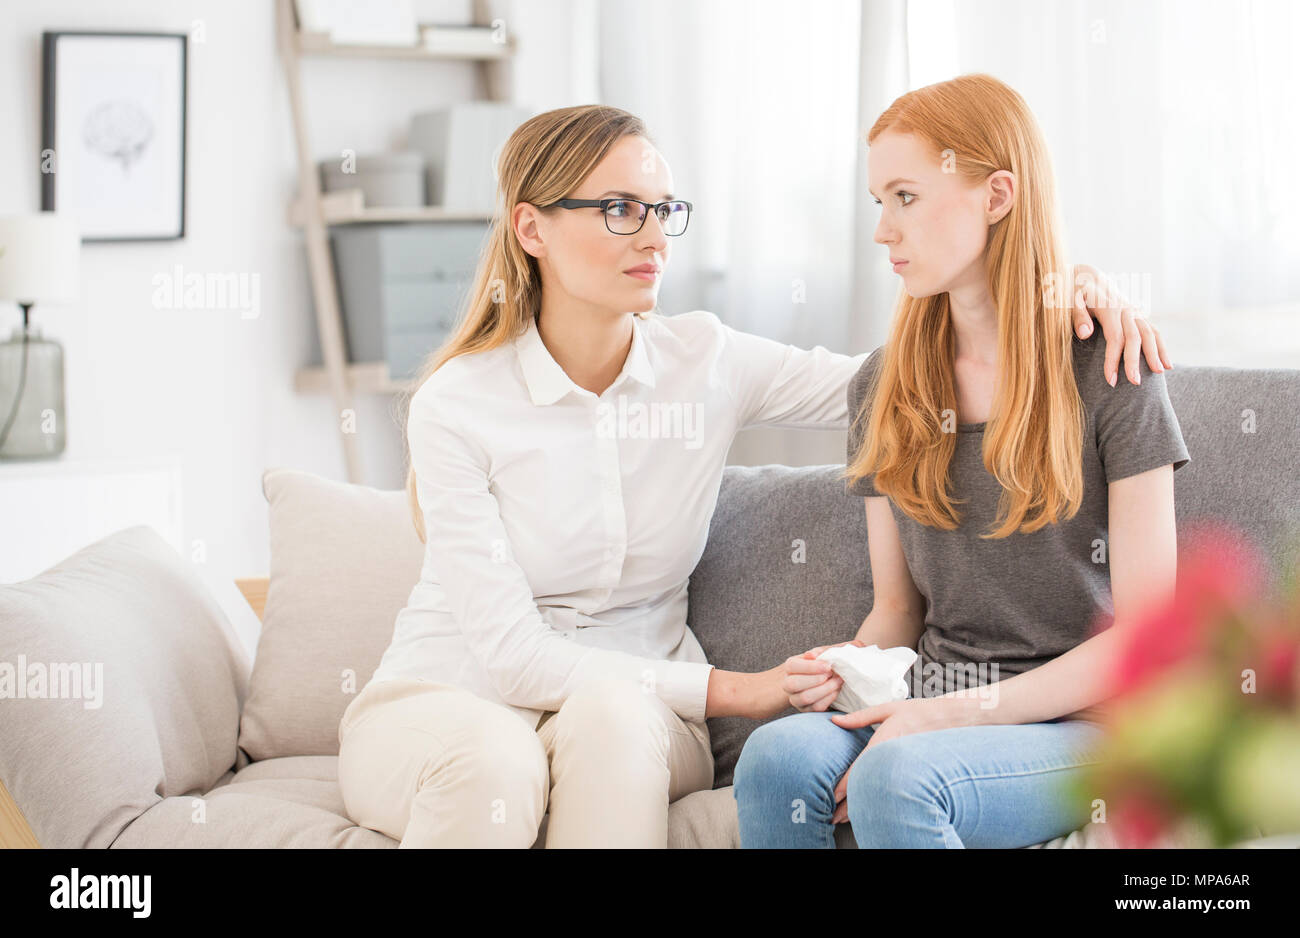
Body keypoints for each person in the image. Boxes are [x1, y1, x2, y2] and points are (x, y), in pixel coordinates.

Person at [335, 102, 1170, 848]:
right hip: (460, 696)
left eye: (663, 211)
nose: (656, 237)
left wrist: (1065, 290)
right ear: (530, 229)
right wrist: (745, 690)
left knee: (617, 717)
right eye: (622, 210)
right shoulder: (457, 402)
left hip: (629, 708)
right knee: (496, 766)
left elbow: (926, 380)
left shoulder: (706, 360)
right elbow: (514, 656)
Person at [733, 73, 1190, 849]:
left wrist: (944, 717)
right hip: (936, 697)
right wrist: (842, 665)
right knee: (774, 757)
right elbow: (899, 613)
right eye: (878, 200)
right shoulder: (883, 385)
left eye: (905, 197)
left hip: (1084, 724)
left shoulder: (1111, 371)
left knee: (900, 776)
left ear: (997, 196)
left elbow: (1148, 639)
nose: (881, 230)